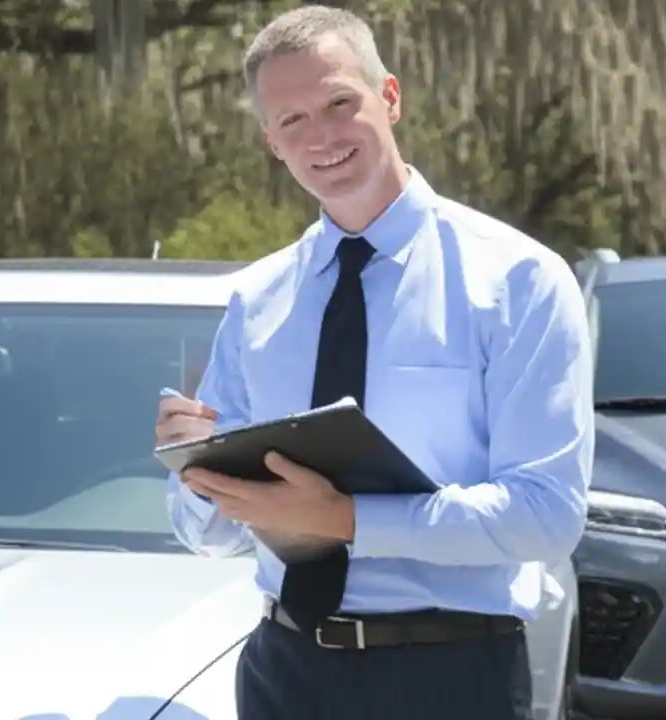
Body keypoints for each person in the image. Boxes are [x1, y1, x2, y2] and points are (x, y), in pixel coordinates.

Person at [156, 6, 594, 720]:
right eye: (291, 120)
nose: (320, 136)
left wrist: (347, 518)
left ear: (389, 97)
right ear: (271, 141)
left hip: (448, 679)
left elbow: (546, 518)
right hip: (280, 673)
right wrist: (199, 478)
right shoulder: (257, 297)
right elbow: (213, 538)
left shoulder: (518, 281)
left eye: (338, 102)